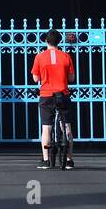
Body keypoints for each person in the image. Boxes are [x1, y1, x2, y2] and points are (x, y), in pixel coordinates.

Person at [32, 29, 75, 170]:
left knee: (46, 128)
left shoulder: (39, 57)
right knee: (67, 127)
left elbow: (35, 78)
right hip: (62, 94)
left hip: (46, 95)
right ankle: (69, 160)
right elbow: (71, 78)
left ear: (46, 41)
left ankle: (46, 160)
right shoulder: (66, 56)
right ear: (59, 41)